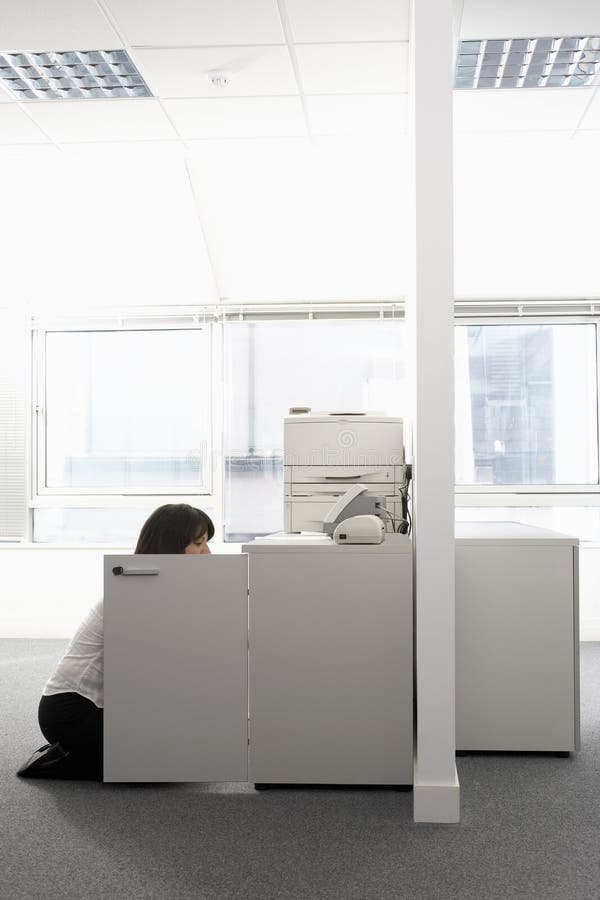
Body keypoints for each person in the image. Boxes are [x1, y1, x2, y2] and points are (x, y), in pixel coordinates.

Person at [17, 504, 214, 781]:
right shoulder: (131, 595)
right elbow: (139, 674)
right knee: (158, 767)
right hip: (71, 710)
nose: (207, 553)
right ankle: (62, 759)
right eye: (199, 543)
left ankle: (89, 751)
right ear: (171, 545)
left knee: (182, 751)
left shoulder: (166, 592)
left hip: (107, 706)